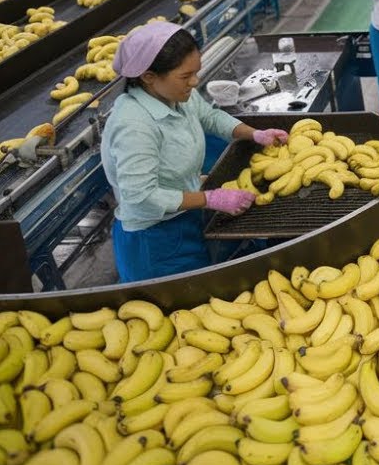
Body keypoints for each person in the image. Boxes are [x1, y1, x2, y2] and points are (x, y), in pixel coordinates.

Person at [101, 22, 288, 282]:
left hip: (186, 216)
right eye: (185, 76)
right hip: (154, 241)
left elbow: (209, 116)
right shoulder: (134, 125)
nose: (195, 81)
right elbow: (141, 197)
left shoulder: (173, 95)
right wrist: (210, 199)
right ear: (148, 76)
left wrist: (254, 133)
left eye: (196, 72)